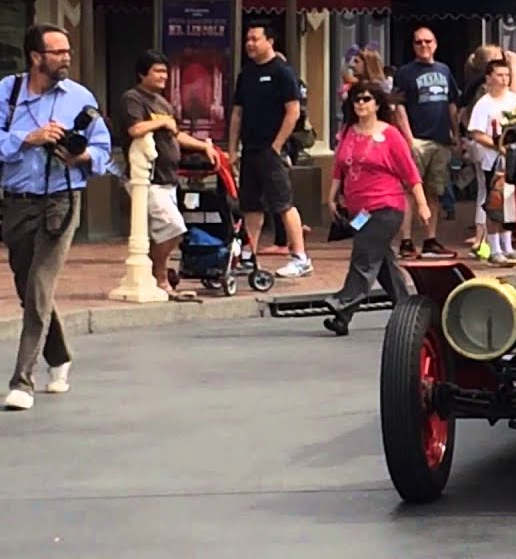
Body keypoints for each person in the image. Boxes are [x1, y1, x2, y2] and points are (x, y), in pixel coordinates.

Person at [0, 24, 112, 410]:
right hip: (16, 200)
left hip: (61, 199)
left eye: (68, 51)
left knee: (39, 286)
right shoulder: (8, 92)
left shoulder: (79, 98)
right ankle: (60, 355)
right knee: (26, 284)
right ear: (36, 57)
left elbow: (102, 150)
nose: (67, 57)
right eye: (58, 52)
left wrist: (79, 156)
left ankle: (22, 381)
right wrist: (26, 139)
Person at [324, 81, 426, 336]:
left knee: (364, 255)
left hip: (386, 206)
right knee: (381, 263)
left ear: (377, 104)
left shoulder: (390, 134)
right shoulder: (349, 131)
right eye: (356, 99)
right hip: (359, 211)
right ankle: (408, 308)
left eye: (366, 99)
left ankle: (342, 303)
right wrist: (332, 196)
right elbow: (339, 167)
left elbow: (410, 172)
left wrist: (422, 204)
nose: (361, 103)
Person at [120, 50, 219, 300]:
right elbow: (135, 129)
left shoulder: (162, 102)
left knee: (161, 231)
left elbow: (175, 134)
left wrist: (204, 146)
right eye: (157, 71)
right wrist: (160, 124)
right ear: (143, 74)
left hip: (167, 178)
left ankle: (153, 275)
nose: (163, 76)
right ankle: (160, 276)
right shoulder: (133, 98)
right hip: (146, 179)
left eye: (165, 71)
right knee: (173, 227)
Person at [226, 23, 311, 278]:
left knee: (283, 203)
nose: (250, 44)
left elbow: (293, 111)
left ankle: (300, 257)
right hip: (249, 149)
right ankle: (248, 256)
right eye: (248, 39)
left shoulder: (282, 72)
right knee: (251, 206)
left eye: (255, 39)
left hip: (271, 150)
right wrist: (232, 149)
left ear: (270, 41)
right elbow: (237, 113)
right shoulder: (247, 74)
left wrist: (276, 145)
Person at [391, 26, 461, 260]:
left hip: (440, 138)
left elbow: (452, 104)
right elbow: (398, 106)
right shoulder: (405, 72)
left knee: (434, 192)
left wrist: (456, 135)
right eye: (419, 42)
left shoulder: (444, 69)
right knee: (410, 191)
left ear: (436, 44)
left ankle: (430, 239)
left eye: (428, 42)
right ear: (413, 46)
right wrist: (409, 138)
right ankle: (406, 241)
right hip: (417, 138)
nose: (424, 46)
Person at [467, 59, 516, 267]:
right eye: (499, 75)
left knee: (510, 202)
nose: (504, 79)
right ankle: (494, 248)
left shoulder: (514, 100)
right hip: (492, 158)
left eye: (506, 75)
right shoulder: (484, 104)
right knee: (494, 202)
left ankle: (507, 246)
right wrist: (497, 146)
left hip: (512, 156)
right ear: (489, 78)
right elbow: (476, 133)